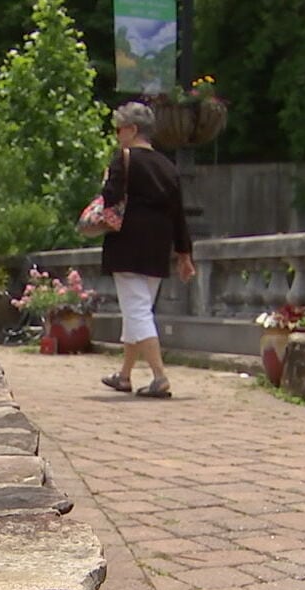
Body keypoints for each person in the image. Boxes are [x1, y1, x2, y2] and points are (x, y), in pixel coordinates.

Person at [97, 101, 195, 399]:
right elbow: (179, 213)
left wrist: (105, 181)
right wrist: (184, 254)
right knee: (138, 311)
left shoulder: (124, 159)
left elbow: (110, 198)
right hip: (157, 247)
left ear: (132, 129)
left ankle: (160, 376)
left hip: (127, 244)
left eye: (118, 129)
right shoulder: (168, 166)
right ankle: (124, 375)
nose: (117, 135)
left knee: (137, 311)